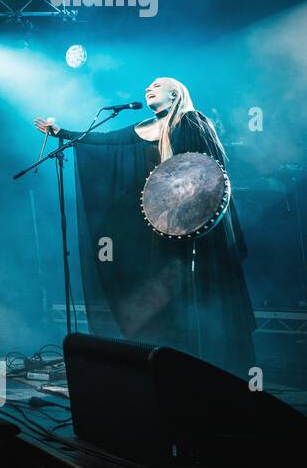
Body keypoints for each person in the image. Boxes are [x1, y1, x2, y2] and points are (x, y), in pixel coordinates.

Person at [34, 76, 256, 374]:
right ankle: (168, 357)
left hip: (197, 228)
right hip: (162, 228)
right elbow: (103, 139)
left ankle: (210, 362)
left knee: (196, 286)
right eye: (148, 86)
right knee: (162, 288)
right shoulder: (142, 128)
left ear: (175, 94)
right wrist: (62, 133)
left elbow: (209, 175)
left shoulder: (191, 122)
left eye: (157, 85)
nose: (149, 89)